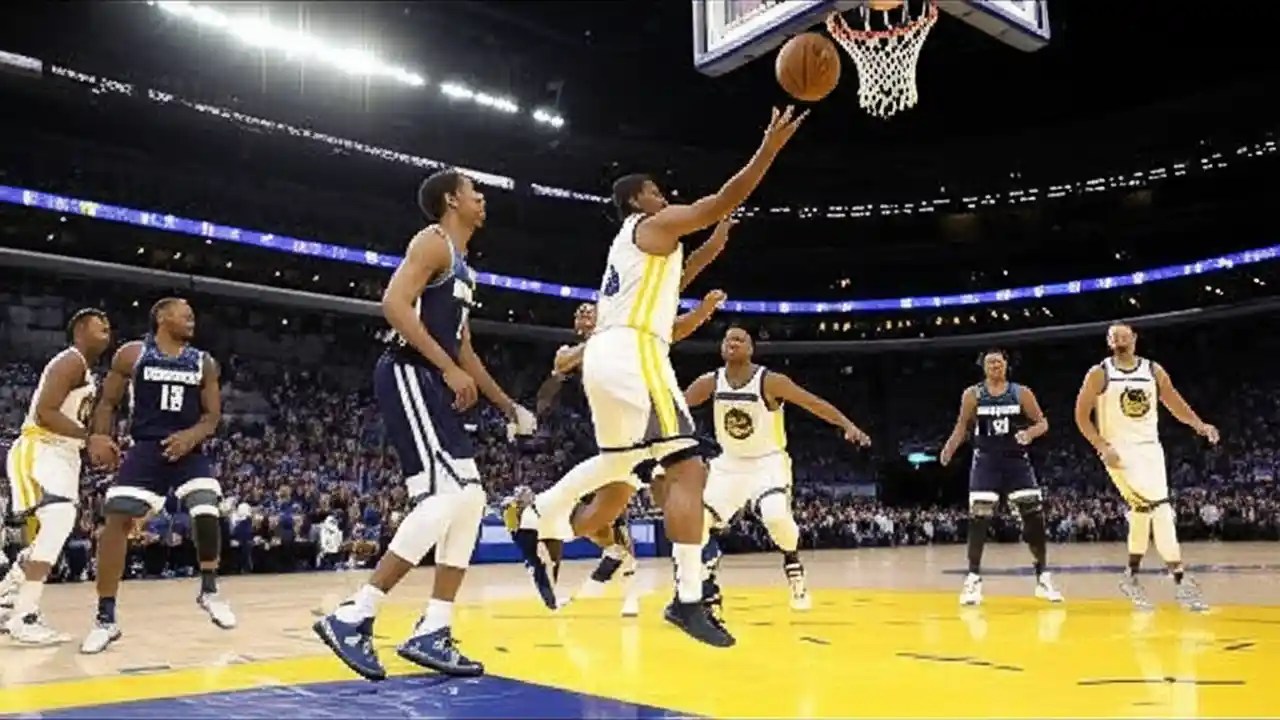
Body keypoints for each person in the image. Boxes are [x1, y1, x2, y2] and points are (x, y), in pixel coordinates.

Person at [527, 106, 809, 648]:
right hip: (636, 352)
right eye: (657, 191)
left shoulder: (639, 250)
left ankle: (540, 514)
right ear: (638, 200)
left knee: (616, 474)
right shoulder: (650, 224)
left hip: (609, 356)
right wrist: (769, 147)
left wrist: (710, 250)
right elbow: (720, 201)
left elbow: (681, 272)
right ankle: (688, 597)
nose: (664, 197)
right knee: (688, 468)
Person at [313, 169, 536, 682]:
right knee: (441, 498)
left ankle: (433, 628)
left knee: (472, 499)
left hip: (433, 375)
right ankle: (354, 616)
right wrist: (447, 368)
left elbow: (465, 350)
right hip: (408, 371)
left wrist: (507, 407)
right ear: (453, 199)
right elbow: (393, 305)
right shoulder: (431, 241)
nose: (483, 200)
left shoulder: (465, 268)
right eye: (475, 192)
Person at [519, 289, 725, 615]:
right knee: (596, 520)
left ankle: (695, 570)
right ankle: (549, 535)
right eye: (580, 313)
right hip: (592, 438)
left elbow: (673, 328)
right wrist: (610, 339)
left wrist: (703, 310)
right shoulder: (572, 351)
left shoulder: (626, 339)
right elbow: (557, 373)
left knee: (664, 494)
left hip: (641, 433)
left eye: (591, 310)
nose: (585, 313)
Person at [82, 298, 234, 654]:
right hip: (147, 448)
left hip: (188, 450)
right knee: (116, 517)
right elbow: (107, 403)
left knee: (206, 506)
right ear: (162, 317)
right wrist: (100, 435)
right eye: (185, 314)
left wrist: (190, 438)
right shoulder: (132, 354)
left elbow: (211, 417)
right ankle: (106, 618)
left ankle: (209, 590)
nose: (192, 319)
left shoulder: (204, 362)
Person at [684, 326, 870, 616]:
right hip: (730, 463)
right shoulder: (711, 381)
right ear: (721, 348)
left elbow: (812, 402)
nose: (732, 343)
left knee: (774, 515)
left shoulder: (770, 381)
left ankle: (792, 562)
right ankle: (708, 587)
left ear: (751, 349)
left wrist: (847, 425)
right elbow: (679, 407)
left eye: (740, 339)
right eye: (728, 339)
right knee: (697, 522)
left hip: (767, 461)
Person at [1073, 323, 1217, 612]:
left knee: (1142, 512)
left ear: (1135, 339)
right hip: (1119, 453)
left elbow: (1174, 403)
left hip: (1151, 450)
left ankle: (1131, 576)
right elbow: (1080, 416)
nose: (1120, 340)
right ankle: (1181, 581)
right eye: (1115, 336)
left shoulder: (1153, 371)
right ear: (1108, 342)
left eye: (1125, 335)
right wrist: (1102, 445)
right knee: (1160, 509)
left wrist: (1200, 425)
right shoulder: (1100, 373)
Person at [0, 309, 112, 644]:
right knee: (59, 520)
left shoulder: (87, 371)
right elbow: (45, 412)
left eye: (109, 326)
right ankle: (24, 616)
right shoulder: (70, 361)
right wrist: (88, 436)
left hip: (62, 455)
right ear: (79, 330)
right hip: (41, 448)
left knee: (55, 530)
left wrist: (95, 440)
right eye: (99, 325)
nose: (107, 329)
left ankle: (7, 599)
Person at [940, 349, 1063, 607]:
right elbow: (962, 426)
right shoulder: (972, 394)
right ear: (983, 368)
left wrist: (1030, 434)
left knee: (1034, 518)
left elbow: (1043, 423)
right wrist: (949, 448)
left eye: (999, 361)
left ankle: (1042, 575)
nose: (995, 365)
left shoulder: (1021, 393)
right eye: (990, 362)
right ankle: (973, 578)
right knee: (979, 518)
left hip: (1016, 461)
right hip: (985, 460)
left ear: (1006, 365)